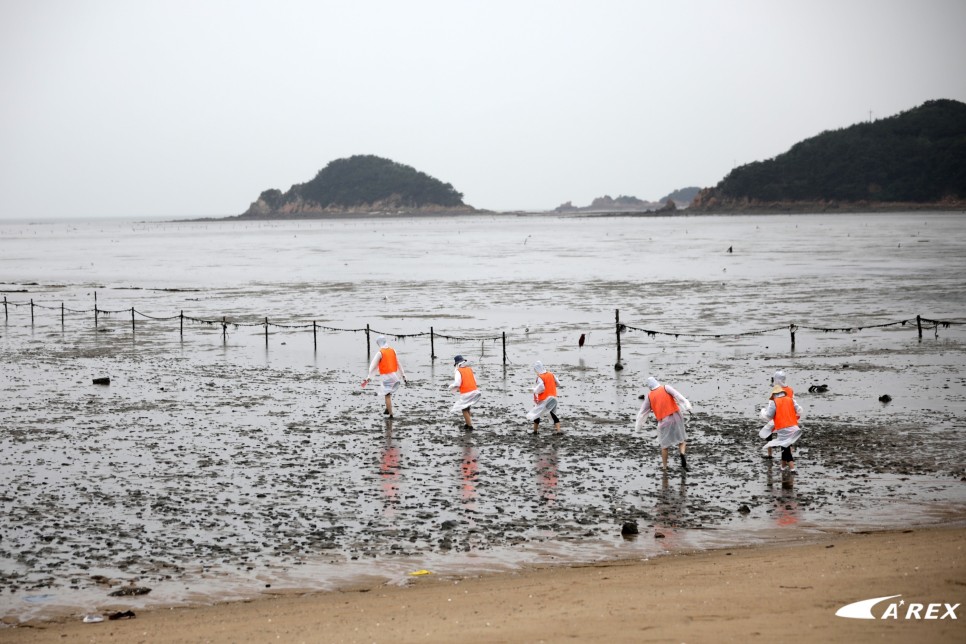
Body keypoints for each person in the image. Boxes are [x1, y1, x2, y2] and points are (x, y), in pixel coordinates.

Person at [636, 376, 693, 470]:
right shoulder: (666, 387)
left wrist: (638, 426)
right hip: (676, 417)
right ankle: (682, 454)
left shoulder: (649, 396)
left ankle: (665, 466)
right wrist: (687, 406)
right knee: (682, 440)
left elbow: (642, 412)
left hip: (664, 422)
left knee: (664, 446)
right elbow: (679, 396)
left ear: (649, 387)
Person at [758, 370, 804, 473]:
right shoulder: (790, 391)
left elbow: (770, 413)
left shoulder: (775, 396)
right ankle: (782, 466)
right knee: (786, 444)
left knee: (781, 442)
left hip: (780, 422)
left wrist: (762, 412)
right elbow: (798, 408)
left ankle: (791, 468)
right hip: (791, 420)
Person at [362, 336, 407, 418]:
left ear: (379, 342)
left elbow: (373, 366)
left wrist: (368, 377)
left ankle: (391, 414)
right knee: (388, 393)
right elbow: (398, 364)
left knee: (387, 395)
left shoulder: (380, 353)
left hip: (386, 378)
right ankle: (387, 408)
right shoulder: (393, 350)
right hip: (394, 376)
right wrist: (403, 375)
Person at [526, 361, 561, 433]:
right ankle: (558, 430)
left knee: (537, 413)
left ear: (536, 369)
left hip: (545, 399)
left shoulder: (540, 377)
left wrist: (534, 390)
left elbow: (541, 388)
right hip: (553, 398)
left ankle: (535, 430)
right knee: (552, 414)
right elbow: (558, 383)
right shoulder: (551, 374)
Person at [449, 355, 482, 430]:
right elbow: (475, 380)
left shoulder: (458, 371)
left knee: (464, 409)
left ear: (457, 364)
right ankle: (467, 424)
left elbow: (457, 383)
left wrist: (451, 386)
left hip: (466, 393)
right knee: (467, 407)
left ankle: (469, 426)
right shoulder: (470, 369)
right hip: (474, 391)